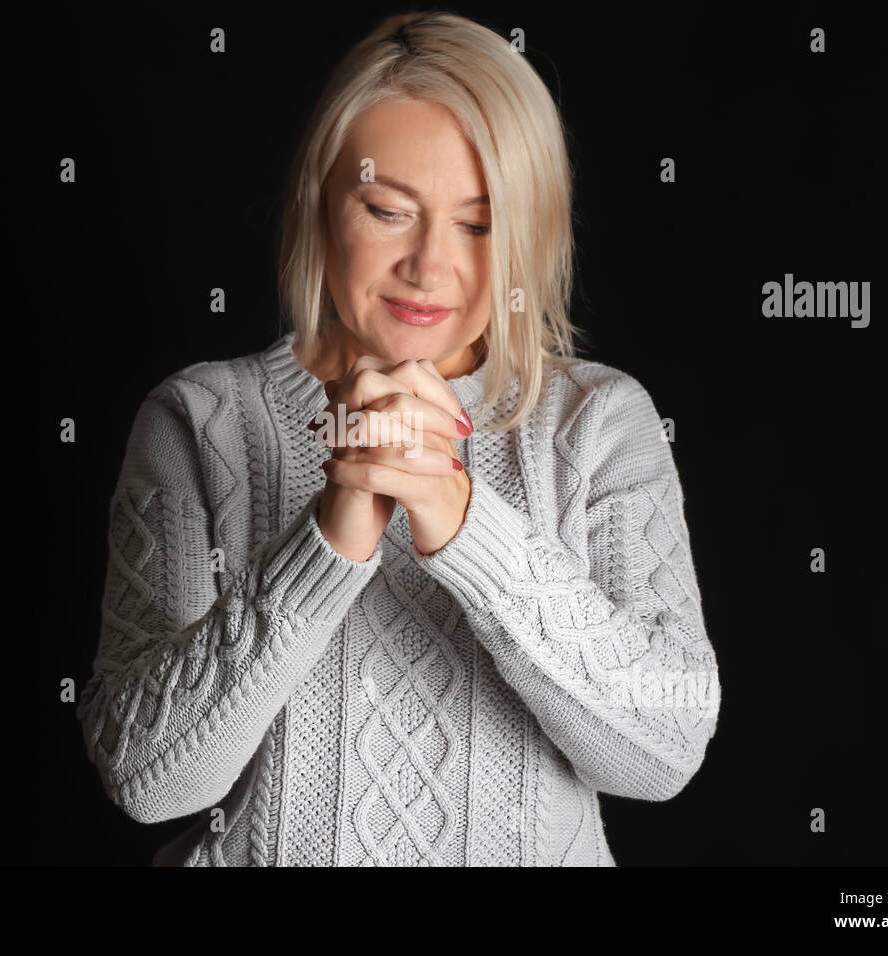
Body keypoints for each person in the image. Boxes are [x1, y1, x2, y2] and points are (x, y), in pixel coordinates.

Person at [76, 10, 721, 866]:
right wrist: (329, 535)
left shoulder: (598, 422)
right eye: (387, 209)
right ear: (320, 203)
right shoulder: (199, 420)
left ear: (530, 233)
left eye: (479, 223)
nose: (430, 266)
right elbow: (150, 780)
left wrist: (464, 521)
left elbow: (664, 753)